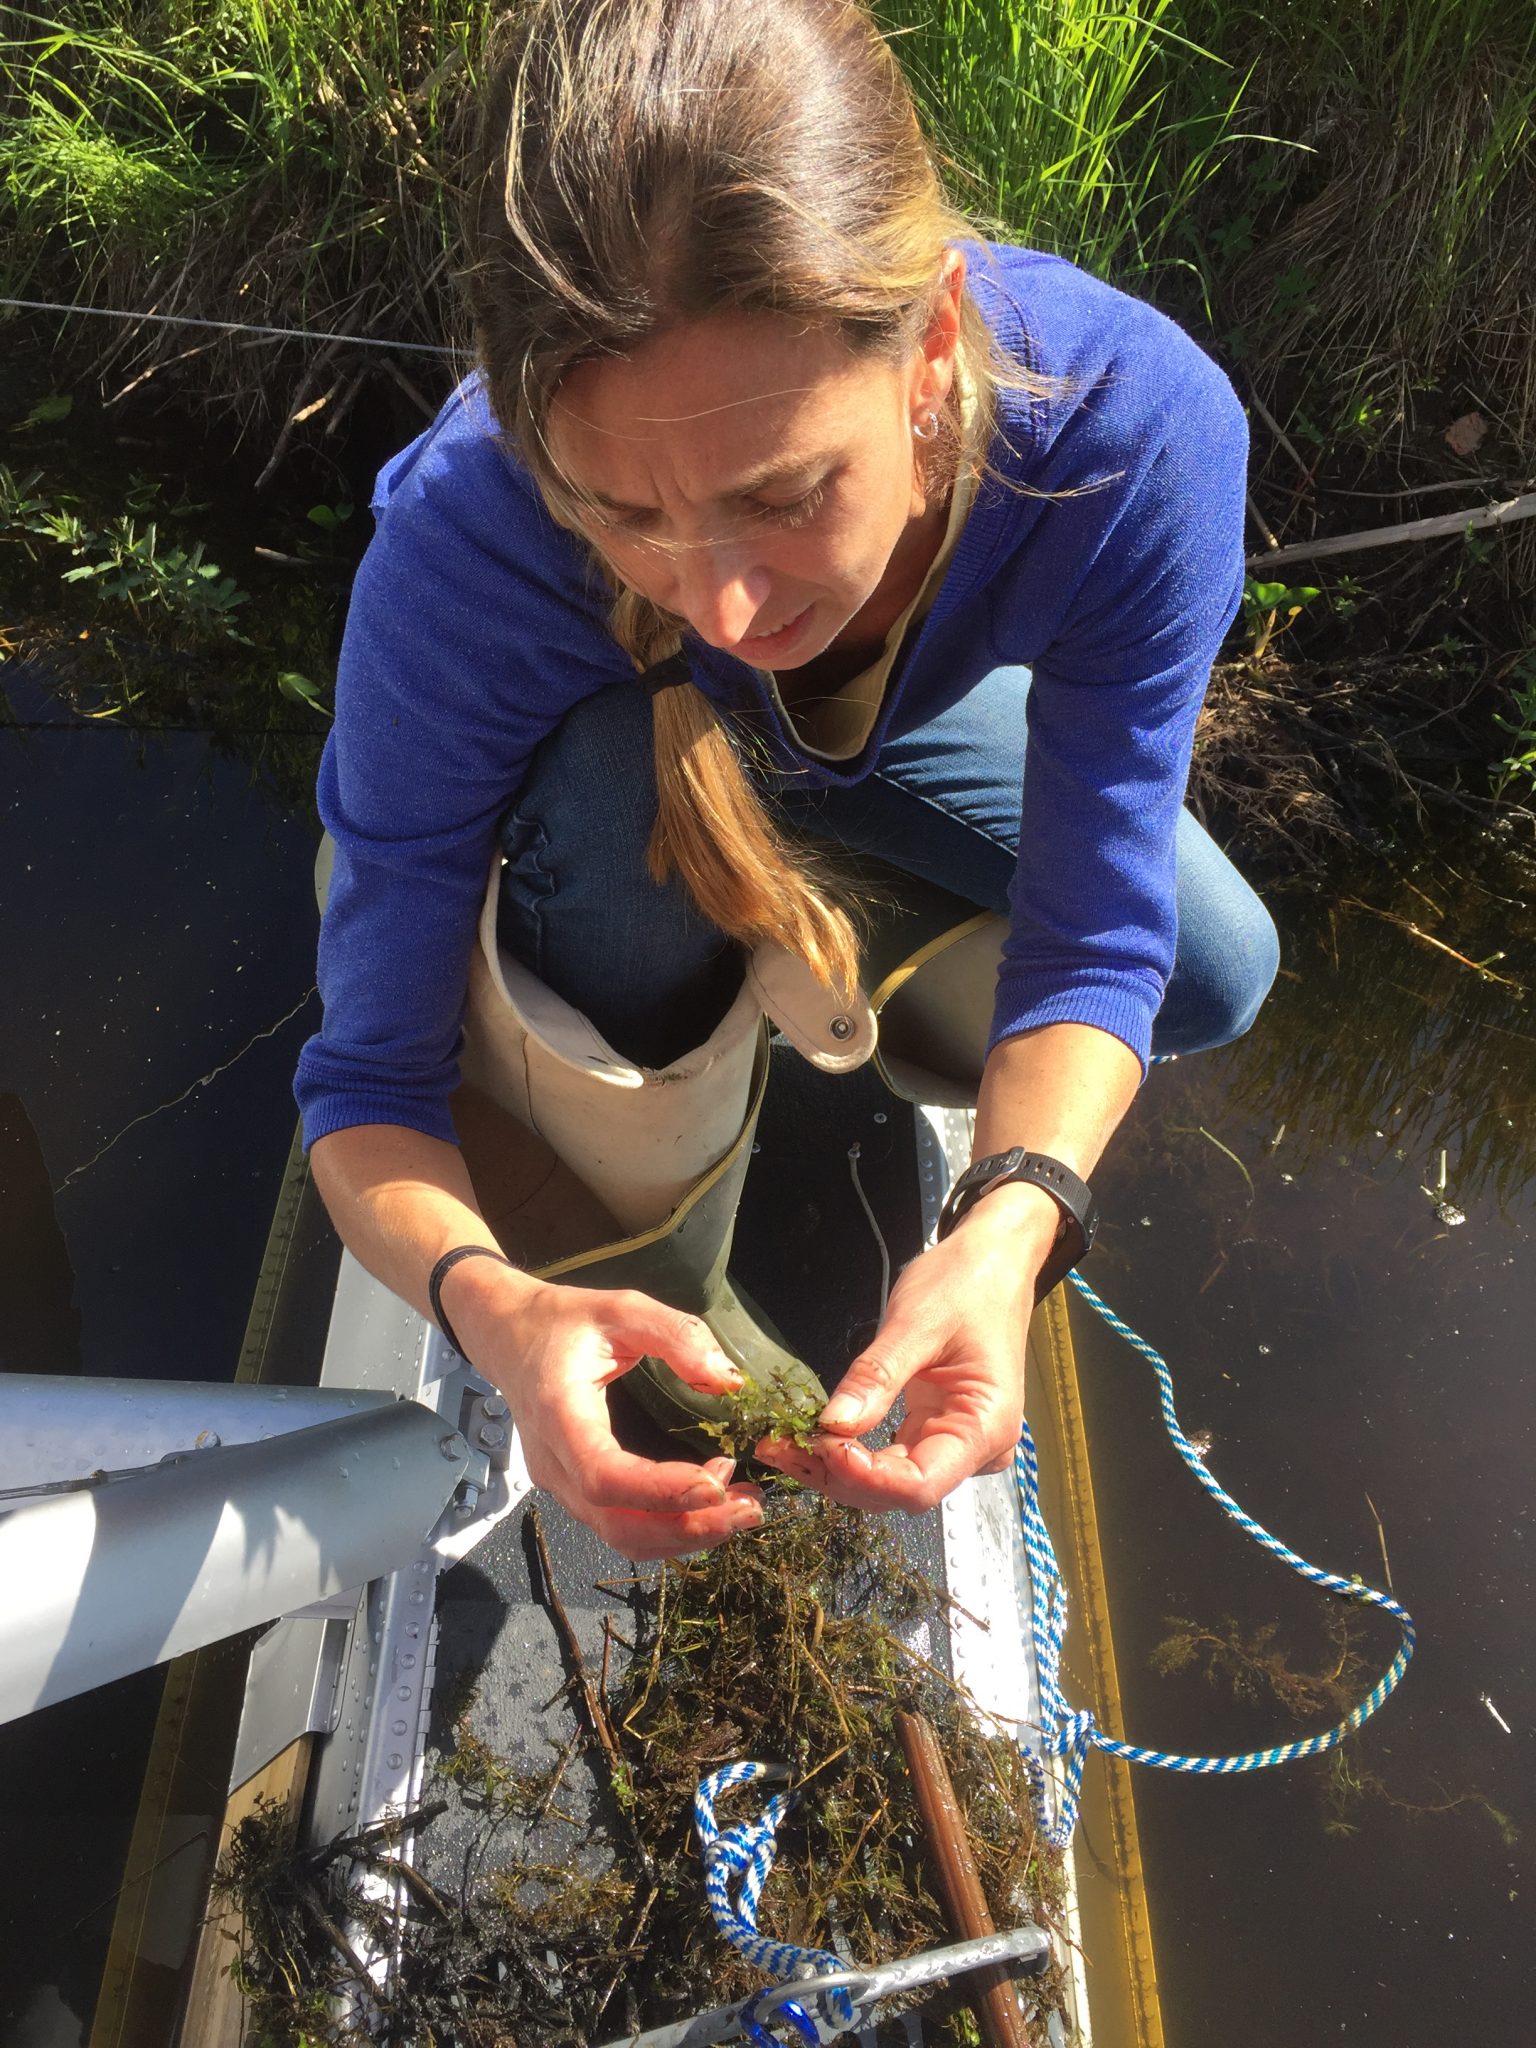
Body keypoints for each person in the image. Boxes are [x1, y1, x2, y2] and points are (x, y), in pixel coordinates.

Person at [296, 0, 1278, 1560]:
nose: (727, 607)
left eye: (788, 492)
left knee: (1216, 967)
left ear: (932, 346)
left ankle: (832, 977)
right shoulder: (467, 538)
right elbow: (364, 1092)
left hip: (841, 740)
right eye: (619, 513)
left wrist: (1015, 1217)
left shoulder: (1130, 439)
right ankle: (660, 1208)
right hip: (607, 765)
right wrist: (493, 1307)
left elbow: (1102, 939)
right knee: (624, 773)